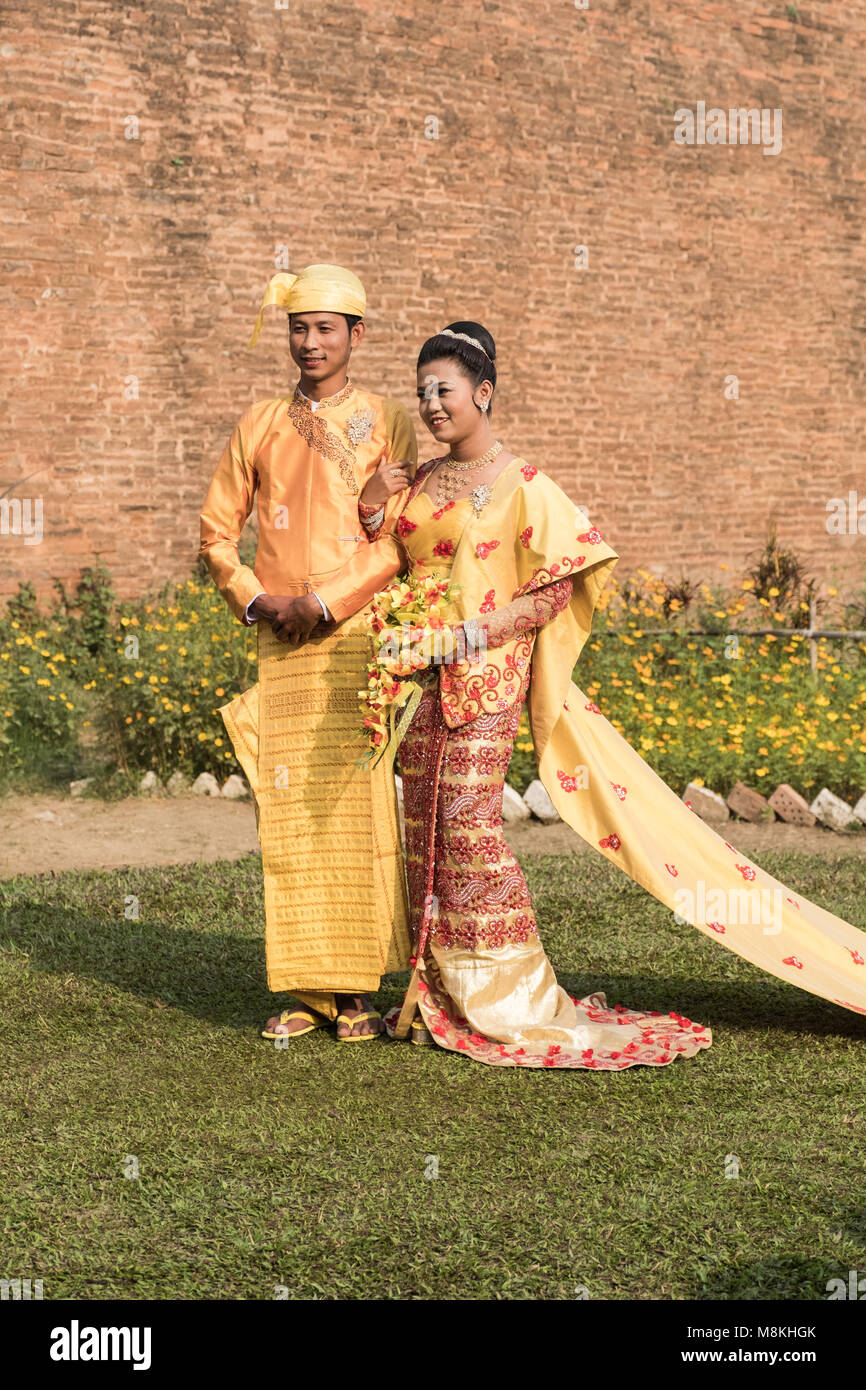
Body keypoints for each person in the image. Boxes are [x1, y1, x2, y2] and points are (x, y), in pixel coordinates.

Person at [355, 320, 866, 1069]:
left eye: (447, 390)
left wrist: (457, 639)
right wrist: (374, 501)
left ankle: (516, 999)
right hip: (417, 686)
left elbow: (555, 591)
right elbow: (390, 552)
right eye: (423, 391)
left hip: (485, 681)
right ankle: (436, 993)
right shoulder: (424, 481)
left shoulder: (525, 485)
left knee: (472, 835)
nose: (432, 404)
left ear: (485, 392)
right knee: (424, 833)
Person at [200, 263, 417, 1042]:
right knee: (287, 812)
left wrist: (324, 602)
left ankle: (355, 991)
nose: (311, 341)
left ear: (356, 336)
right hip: (279, 639)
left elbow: (397, 534)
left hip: (351, 635)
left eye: (327, 327)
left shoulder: (390, 418)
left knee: (352, 812)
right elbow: (218, 533)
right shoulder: (258, 424)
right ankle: (302, 990)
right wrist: (262, 600)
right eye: (300, 326)